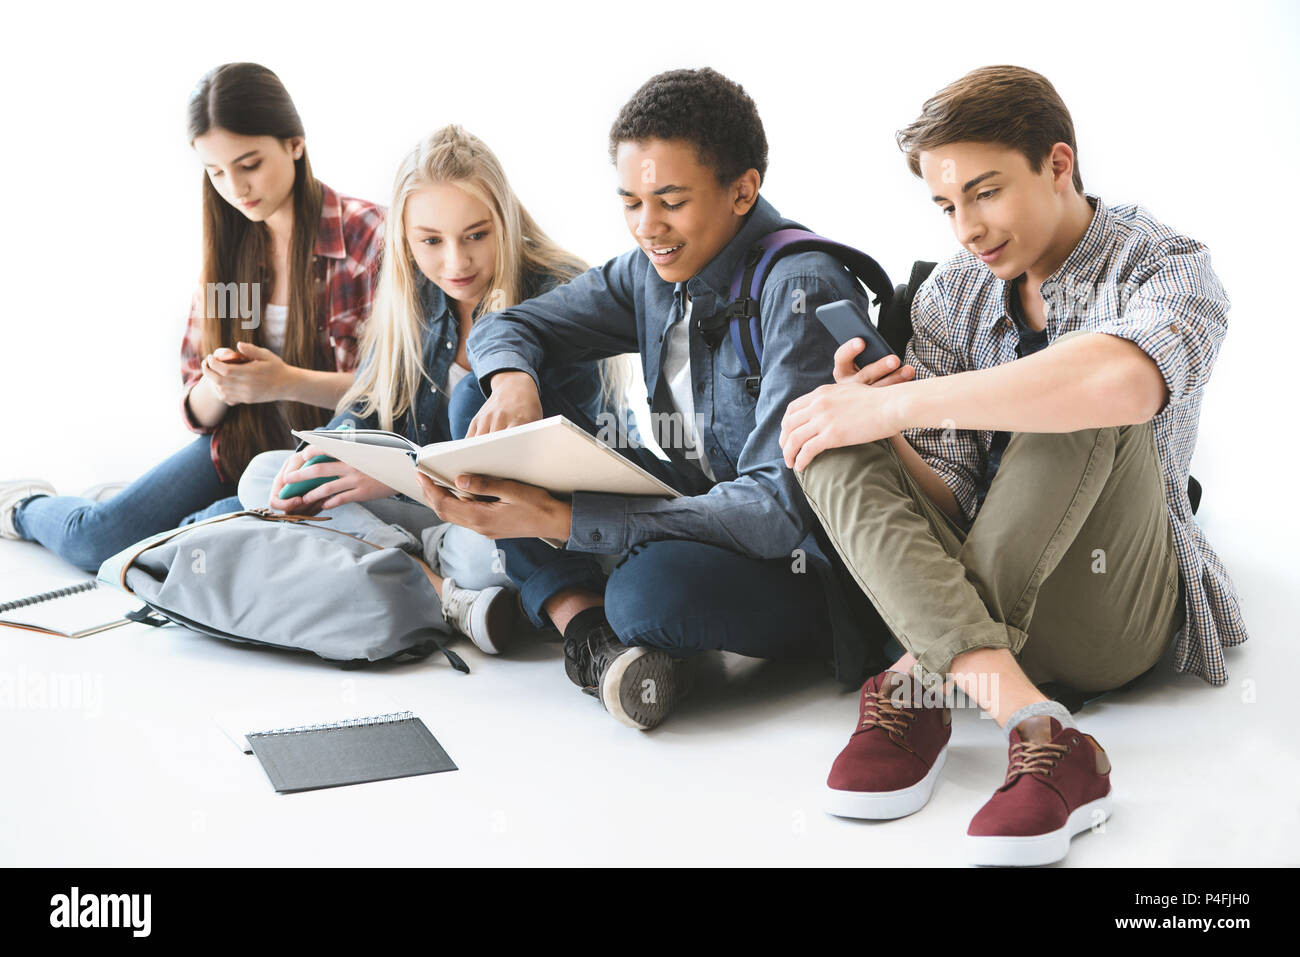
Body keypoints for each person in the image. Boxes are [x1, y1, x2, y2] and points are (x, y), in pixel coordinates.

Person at [783, 65, 1248, 866]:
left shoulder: (1167, 264)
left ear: (1058, 165)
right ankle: (1039, 727)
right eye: (945, 205)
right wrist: (883, 429)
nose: (965, 227)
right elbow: (956, 498)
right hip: (982, 611)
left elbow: (1126, 383)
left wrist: (905, 405)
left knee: (1089, 381)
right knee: (825, 428)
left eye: (985, 192)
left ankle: (919, 679)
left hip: (1110, 607)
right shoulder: (951, 296)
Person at [422, 68, 887, 730]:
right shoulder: (652, 271)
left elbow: (773, 511)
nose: (648, 226)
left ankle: (644, 618)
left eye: (670, 200)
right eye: (631, 201)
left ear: (742, 190)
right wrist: (516, 383)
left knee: (650, 594)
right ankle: (588, 632)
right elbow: (508, 327)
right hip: (695, 498)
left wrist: (563, 519)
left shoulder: (802, 288)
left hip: (796, 560)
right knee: (479, 393)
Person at [240, 125, 624, 653]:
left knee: (477, 551)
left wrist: (402, 481)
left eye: (476, 235)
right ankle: (442, 587)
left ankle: (398, 562)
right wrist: (322, 451)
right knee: (266, 478)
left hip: (535, 520)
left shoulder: (558, 289)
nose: (455, 263)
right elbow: (372, 405)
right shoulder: (413, 296)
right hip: (445, 513)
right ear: (404, 237)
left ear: (504, 223)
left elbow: (555, 472)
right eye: (431, 241)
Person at [1, 62, 383, 572]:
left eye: (249, 164)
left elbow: (392, 393)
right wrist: (222, 385)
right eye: (216, 171)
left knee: (176, 551)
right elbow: (196, 407)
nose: (236, 188)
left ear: (294, 143)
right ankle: (25, 507)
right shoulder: (237, 247)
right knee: (96, 542)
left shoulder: (364, 236)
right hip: (240, 446)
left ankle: (126, 507)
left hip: (325, 460)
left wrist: (285, 382)